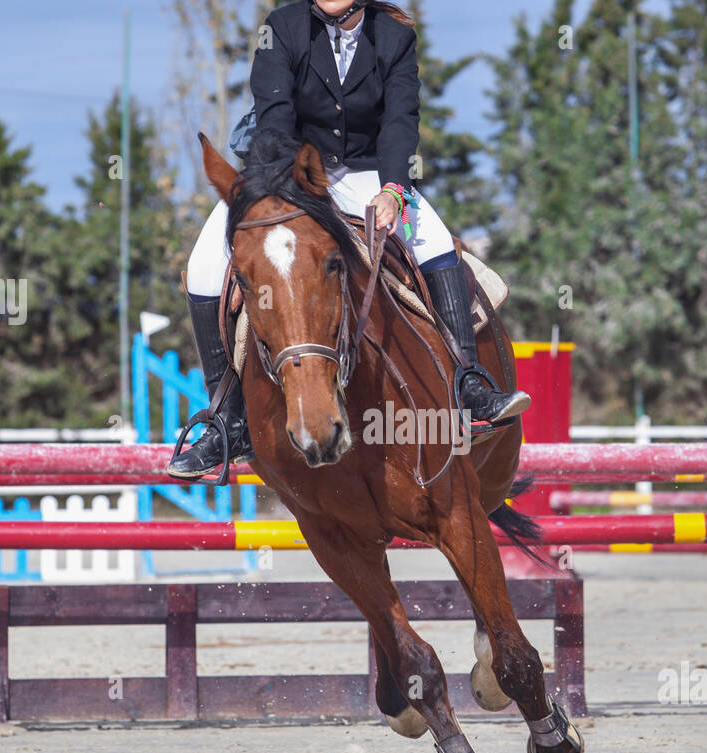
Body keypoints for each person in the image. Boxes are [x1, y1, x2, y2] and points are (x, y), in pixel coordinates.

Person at [168, 0, 529, 481]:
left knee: (435, 241)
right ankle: (227, 420)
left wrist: (394, 189)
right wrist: (284, 186)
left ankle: (469, 383)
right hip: (287, 176)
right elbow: (275, 115)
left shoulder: (394, 37)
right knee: (207, 262)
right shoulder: (284, 27)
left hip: (366, 175)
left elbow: (401, 119)